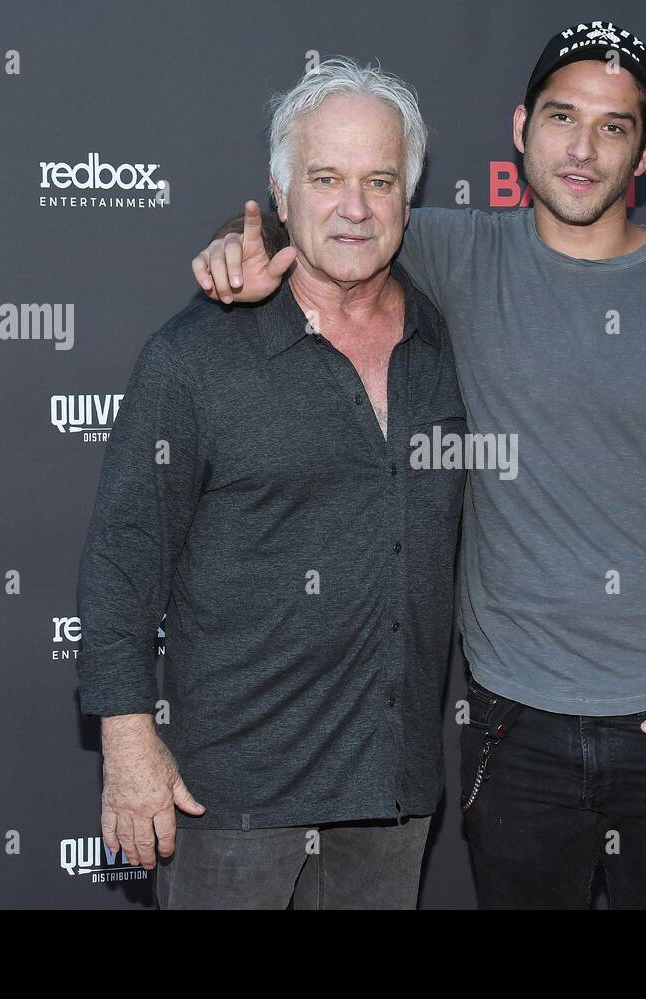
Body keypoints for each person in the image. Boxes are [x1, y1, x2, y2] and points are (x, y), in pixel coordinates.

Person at [195, 20, 646, 909]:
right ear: (521, 128)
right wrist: (232, 242)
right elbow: (321, 225)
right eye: (561, 118)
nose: (582, 149)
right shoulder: (455, 254)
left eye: (614, 126)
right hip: (515, 727)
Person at [75, 58, 468, 909]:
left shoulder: (446, 341)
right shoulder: (194, 356)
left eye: (380, 181)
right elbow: (123, 556)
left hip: (392, 790)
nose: (354, 206)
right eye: (326, 178)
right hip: (232, 799)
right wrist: (129, 742)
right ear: (281, 193)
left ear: (409, 198)